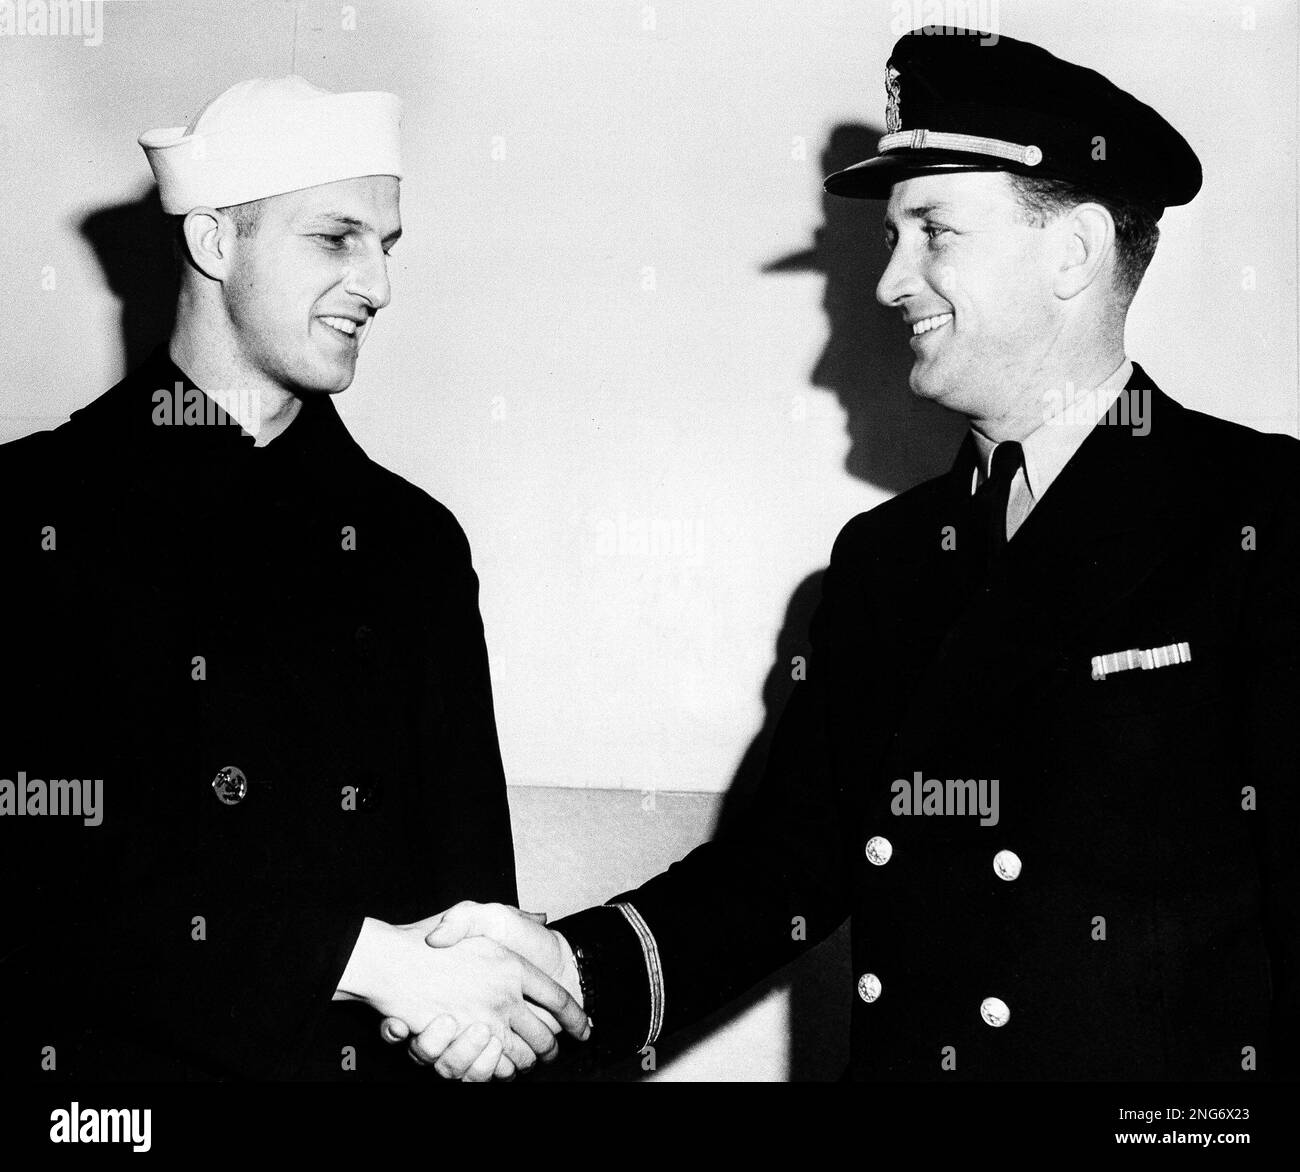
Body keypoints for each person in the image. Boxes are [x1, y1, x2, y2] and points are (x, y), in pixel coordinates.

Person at [383, 27, 1299, 1081]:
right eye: (891, 236)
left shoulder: (1258, 518)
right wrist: (565, 969)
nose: (889, 282)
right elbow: (782, 870)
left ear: (1073, 250)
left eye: (934, 231)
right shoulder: (885, 560)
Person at [0, 75, 586, 1082]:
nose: (378, 282)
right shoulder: (29, 510)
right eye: (335, 237)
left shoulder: (414, 547)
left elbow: (467, 894)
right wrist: (363, 958)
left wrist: (476, 1006)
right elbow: (37, 878)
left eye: (385, 244)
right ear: (215, 243)